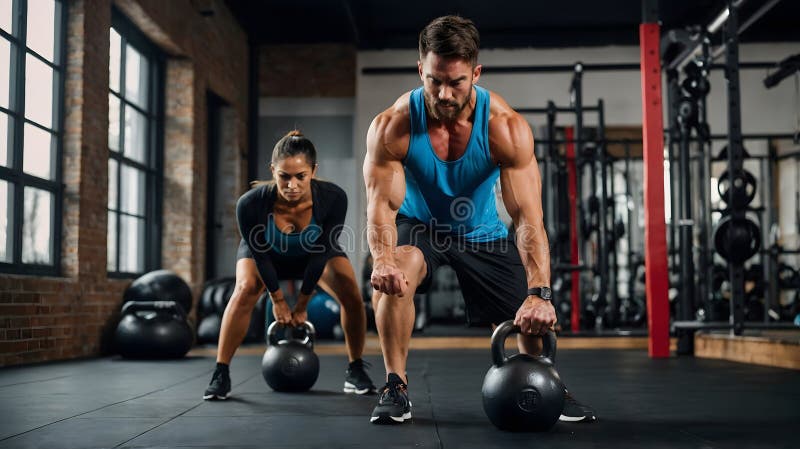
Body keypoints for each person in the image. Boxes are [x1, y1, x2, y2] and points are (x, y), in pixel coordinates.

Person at [363, 16, 596, 424]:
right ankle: (395, 385)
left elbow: (527, 217)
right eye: (434, 80)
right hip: (420, 225)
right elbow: (381, 207)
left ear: (475, 72)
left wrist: (539, 291)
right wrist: (381, 259)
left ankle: (543, 382)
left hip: (481, 230)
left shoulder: (504, 127)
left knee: (530, 314)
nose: (444, 93)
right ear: (421, 70)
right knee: (395, 277)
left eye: (456, 81)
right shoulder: (393, 126)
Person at [204, 130, 375, 400]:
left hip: (313, 252)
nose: (292, 184)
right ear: (273, 170)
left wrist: (303, 304)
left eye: (300, 176)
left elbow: (321, 253)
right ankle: (220, 372)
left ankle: (355, 370)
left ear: (314, 171)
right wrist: (279, 301)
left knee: (351, 291)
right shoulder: (250, 204)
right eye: (284, 176)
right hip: (266, 253)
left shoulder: (333, 198)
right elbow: (260, 257)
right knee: (245, 288)